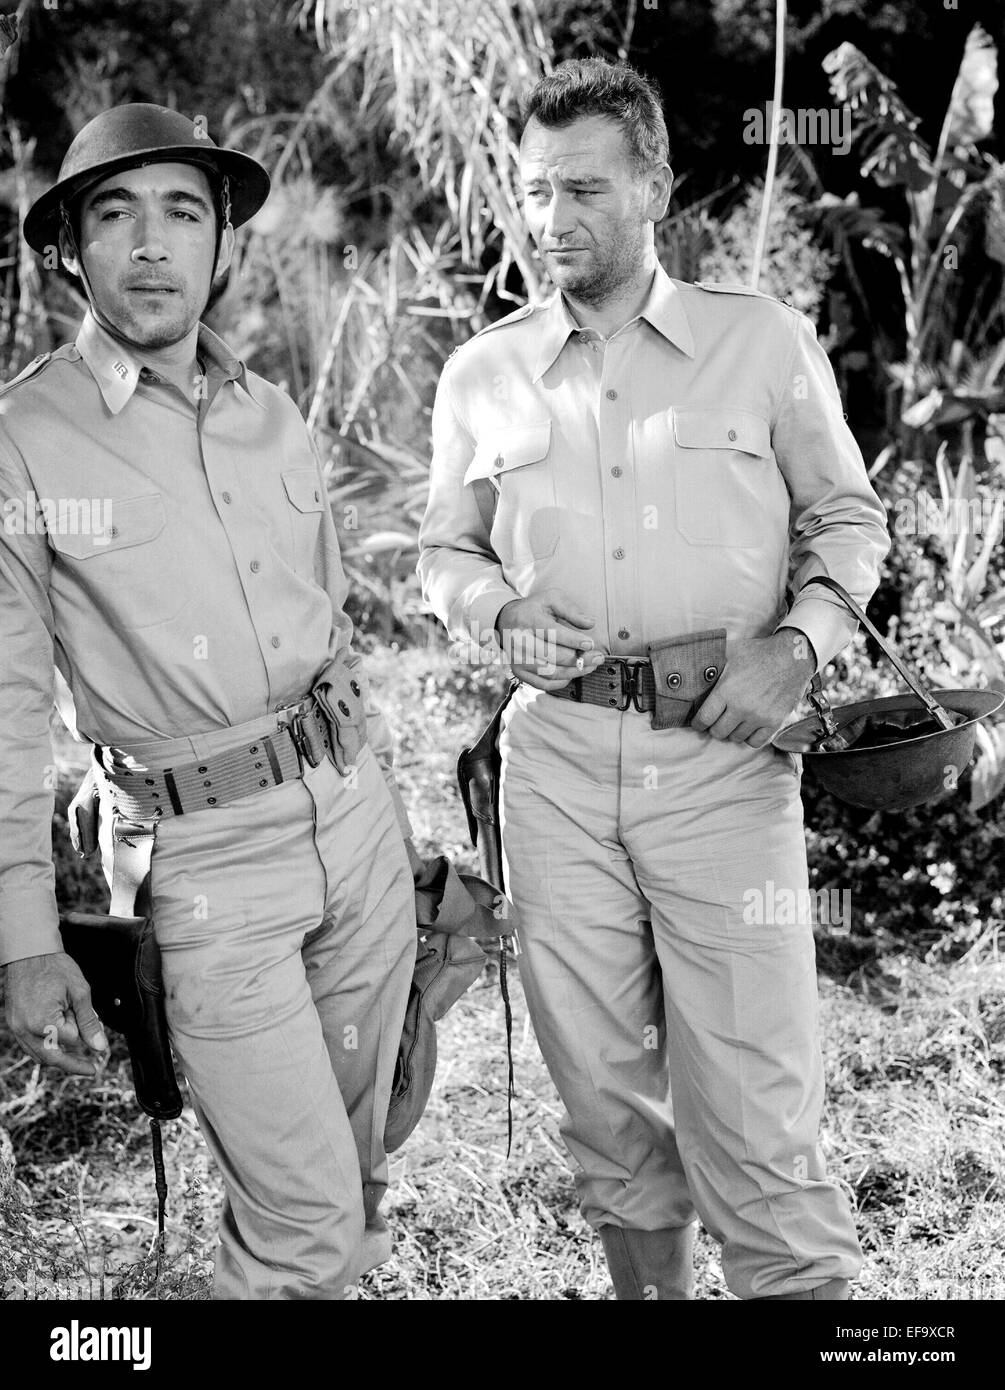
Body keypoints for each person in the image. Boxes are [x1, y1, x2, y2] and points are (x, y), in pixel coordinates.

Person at [418, 58, 890, 1300]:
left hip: (724, 768)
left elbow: (850, 524)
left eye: (583, 189)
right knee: (609, 1117)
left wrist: (795, 647)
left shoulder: (762, 343)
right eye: (533, 193)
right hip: (555, 774)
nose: (553, 219)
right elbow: (444, 550)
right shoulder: (483, 376)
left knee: (754, 1118)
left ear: (656, 187)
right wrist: (498, 610)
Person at [0, 104, 417, 1300]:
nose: (150, 245)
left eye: (184, 211)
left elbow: (332, 636)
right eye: (114, 214)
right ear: (68, 247)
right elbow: (10, 710)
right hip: (204, 866)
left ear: (222, 241)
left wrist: (391, 826)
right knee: (300, 1227)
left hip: (352, 822)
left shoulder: (273, 417)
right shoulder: (26, 440)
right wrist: (27, 945)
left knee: (359, 1173)